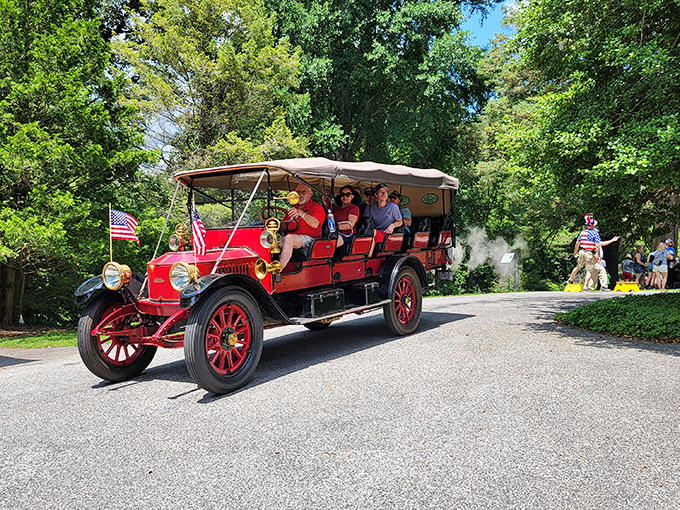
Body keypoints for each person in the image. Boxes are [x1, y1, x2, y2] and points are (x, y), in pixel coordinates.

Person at [278, 182, 325, 271]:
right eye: (298, 192)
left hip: (311, 238)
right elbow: (284, 225)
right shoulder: (294, 207)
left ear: (310, 194)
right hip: (293, 237)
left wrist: (301, 213)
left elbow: (315, 224)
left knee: (289, 238)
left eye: (304, 192)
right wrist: (274, 223)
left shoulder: (316, 207)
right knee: (271, 239)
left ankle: (278, 270)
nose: (300, 194)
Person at [367, 183, 402, 256]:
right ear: (376, 195)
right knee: (368, 232)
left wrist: (392, 225)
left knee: (371, 232)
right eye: (381, 192)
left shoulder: (393, 207)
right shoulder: (370, 207)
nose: (384, 194)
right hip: (373, 232)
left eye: (385, 192)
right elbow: (366, 221)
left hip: (386, 234)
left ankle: (368, 258)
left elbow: (400, 221)